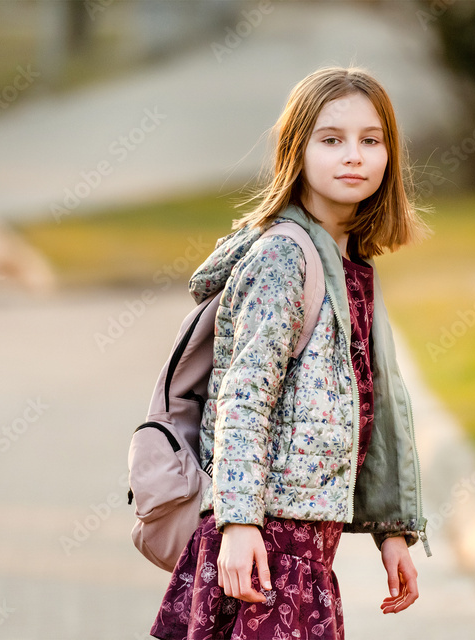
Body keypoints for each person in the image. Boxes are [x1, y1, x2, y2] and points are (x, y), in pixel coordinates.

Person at [149, 65, 432, 640]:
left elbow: (372, 409)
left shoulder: (352, 268)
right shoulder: (284, 258)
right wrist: (238, 522)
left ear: (389, 156)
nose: (353, 155)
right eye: (331, 140)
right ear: (296, 152)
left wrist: (393, 530)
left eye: (370, 140)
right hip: (264, 551)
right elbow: (242, 400)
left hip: (305, 557)